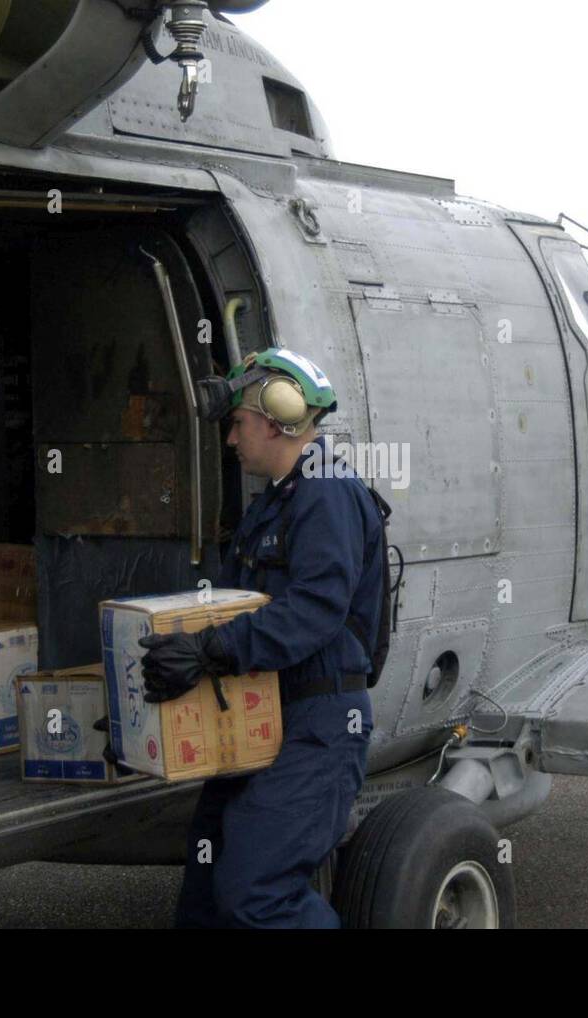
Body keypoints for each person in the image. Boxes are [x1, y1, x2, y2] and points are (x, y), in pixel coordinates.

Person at [137, 347, 383, 927]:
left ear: (276, 419)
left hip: (317, 724)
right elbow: (229, 607)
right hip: (262, 716)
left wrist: (211, 650)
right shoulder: (275, 502)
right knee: (207, 891)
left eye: (238, 424)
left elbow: (314, 611)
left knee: (256, 892)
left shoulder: (326, 494)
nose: (230, 441)